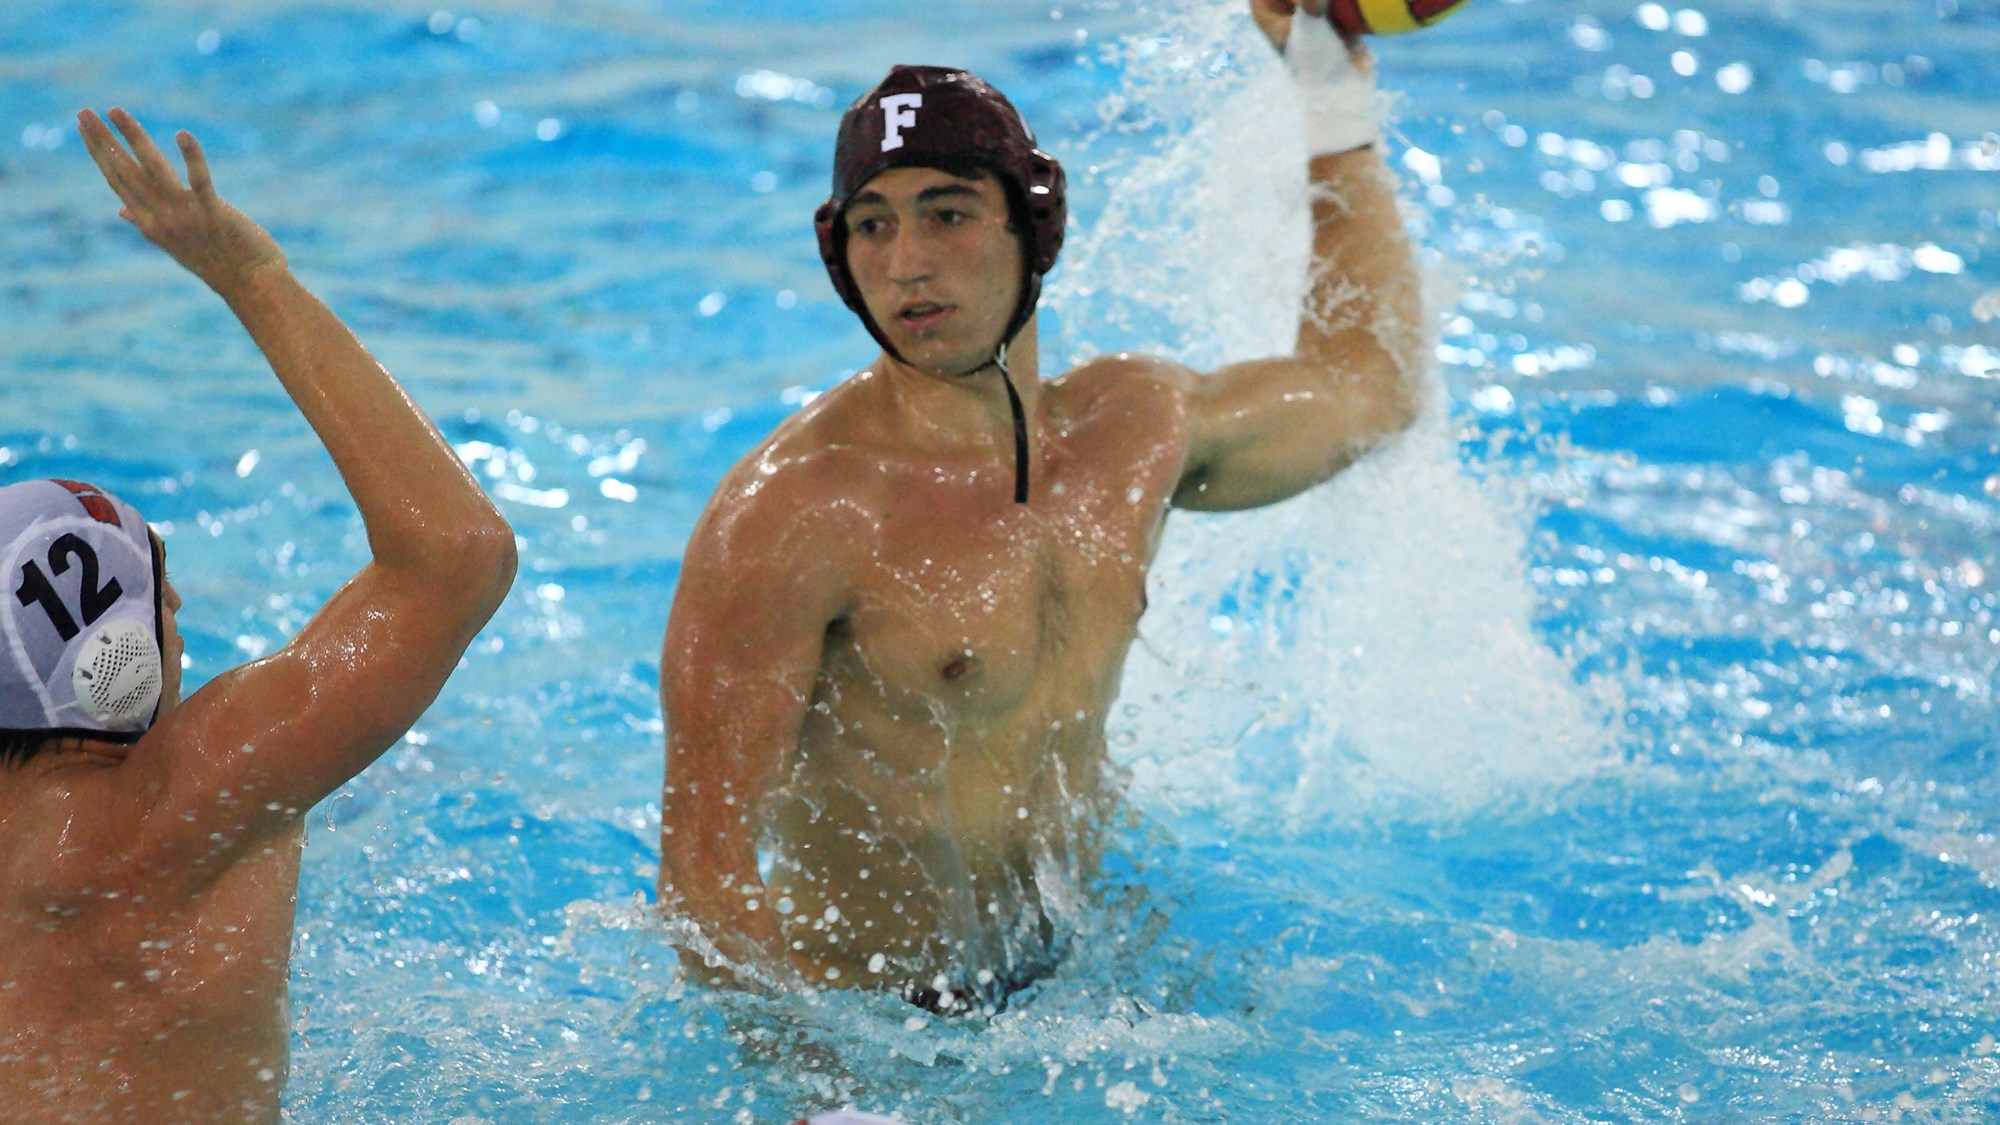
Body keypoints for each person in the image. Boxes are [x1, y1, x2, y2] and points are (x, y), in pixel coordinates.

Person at [659, 0, 1420, 1012]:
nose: (905, 264)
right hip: (887, 1025)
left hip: (1090, 992)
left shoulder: (1130, 434)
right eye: (871, 226)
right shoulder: (796, 516)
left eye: (947, 212)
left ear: (1033, 225)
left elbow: (1368, 387)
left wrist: (1329, 93)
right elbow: (703, 889)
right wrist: (836, 1088)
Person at [0, 109, 517, 1123]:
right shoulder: (195, 800)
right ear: (120, 657)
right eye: (163, 602)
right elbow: (459, 555)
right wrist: (253, 275)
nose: (180, 622)